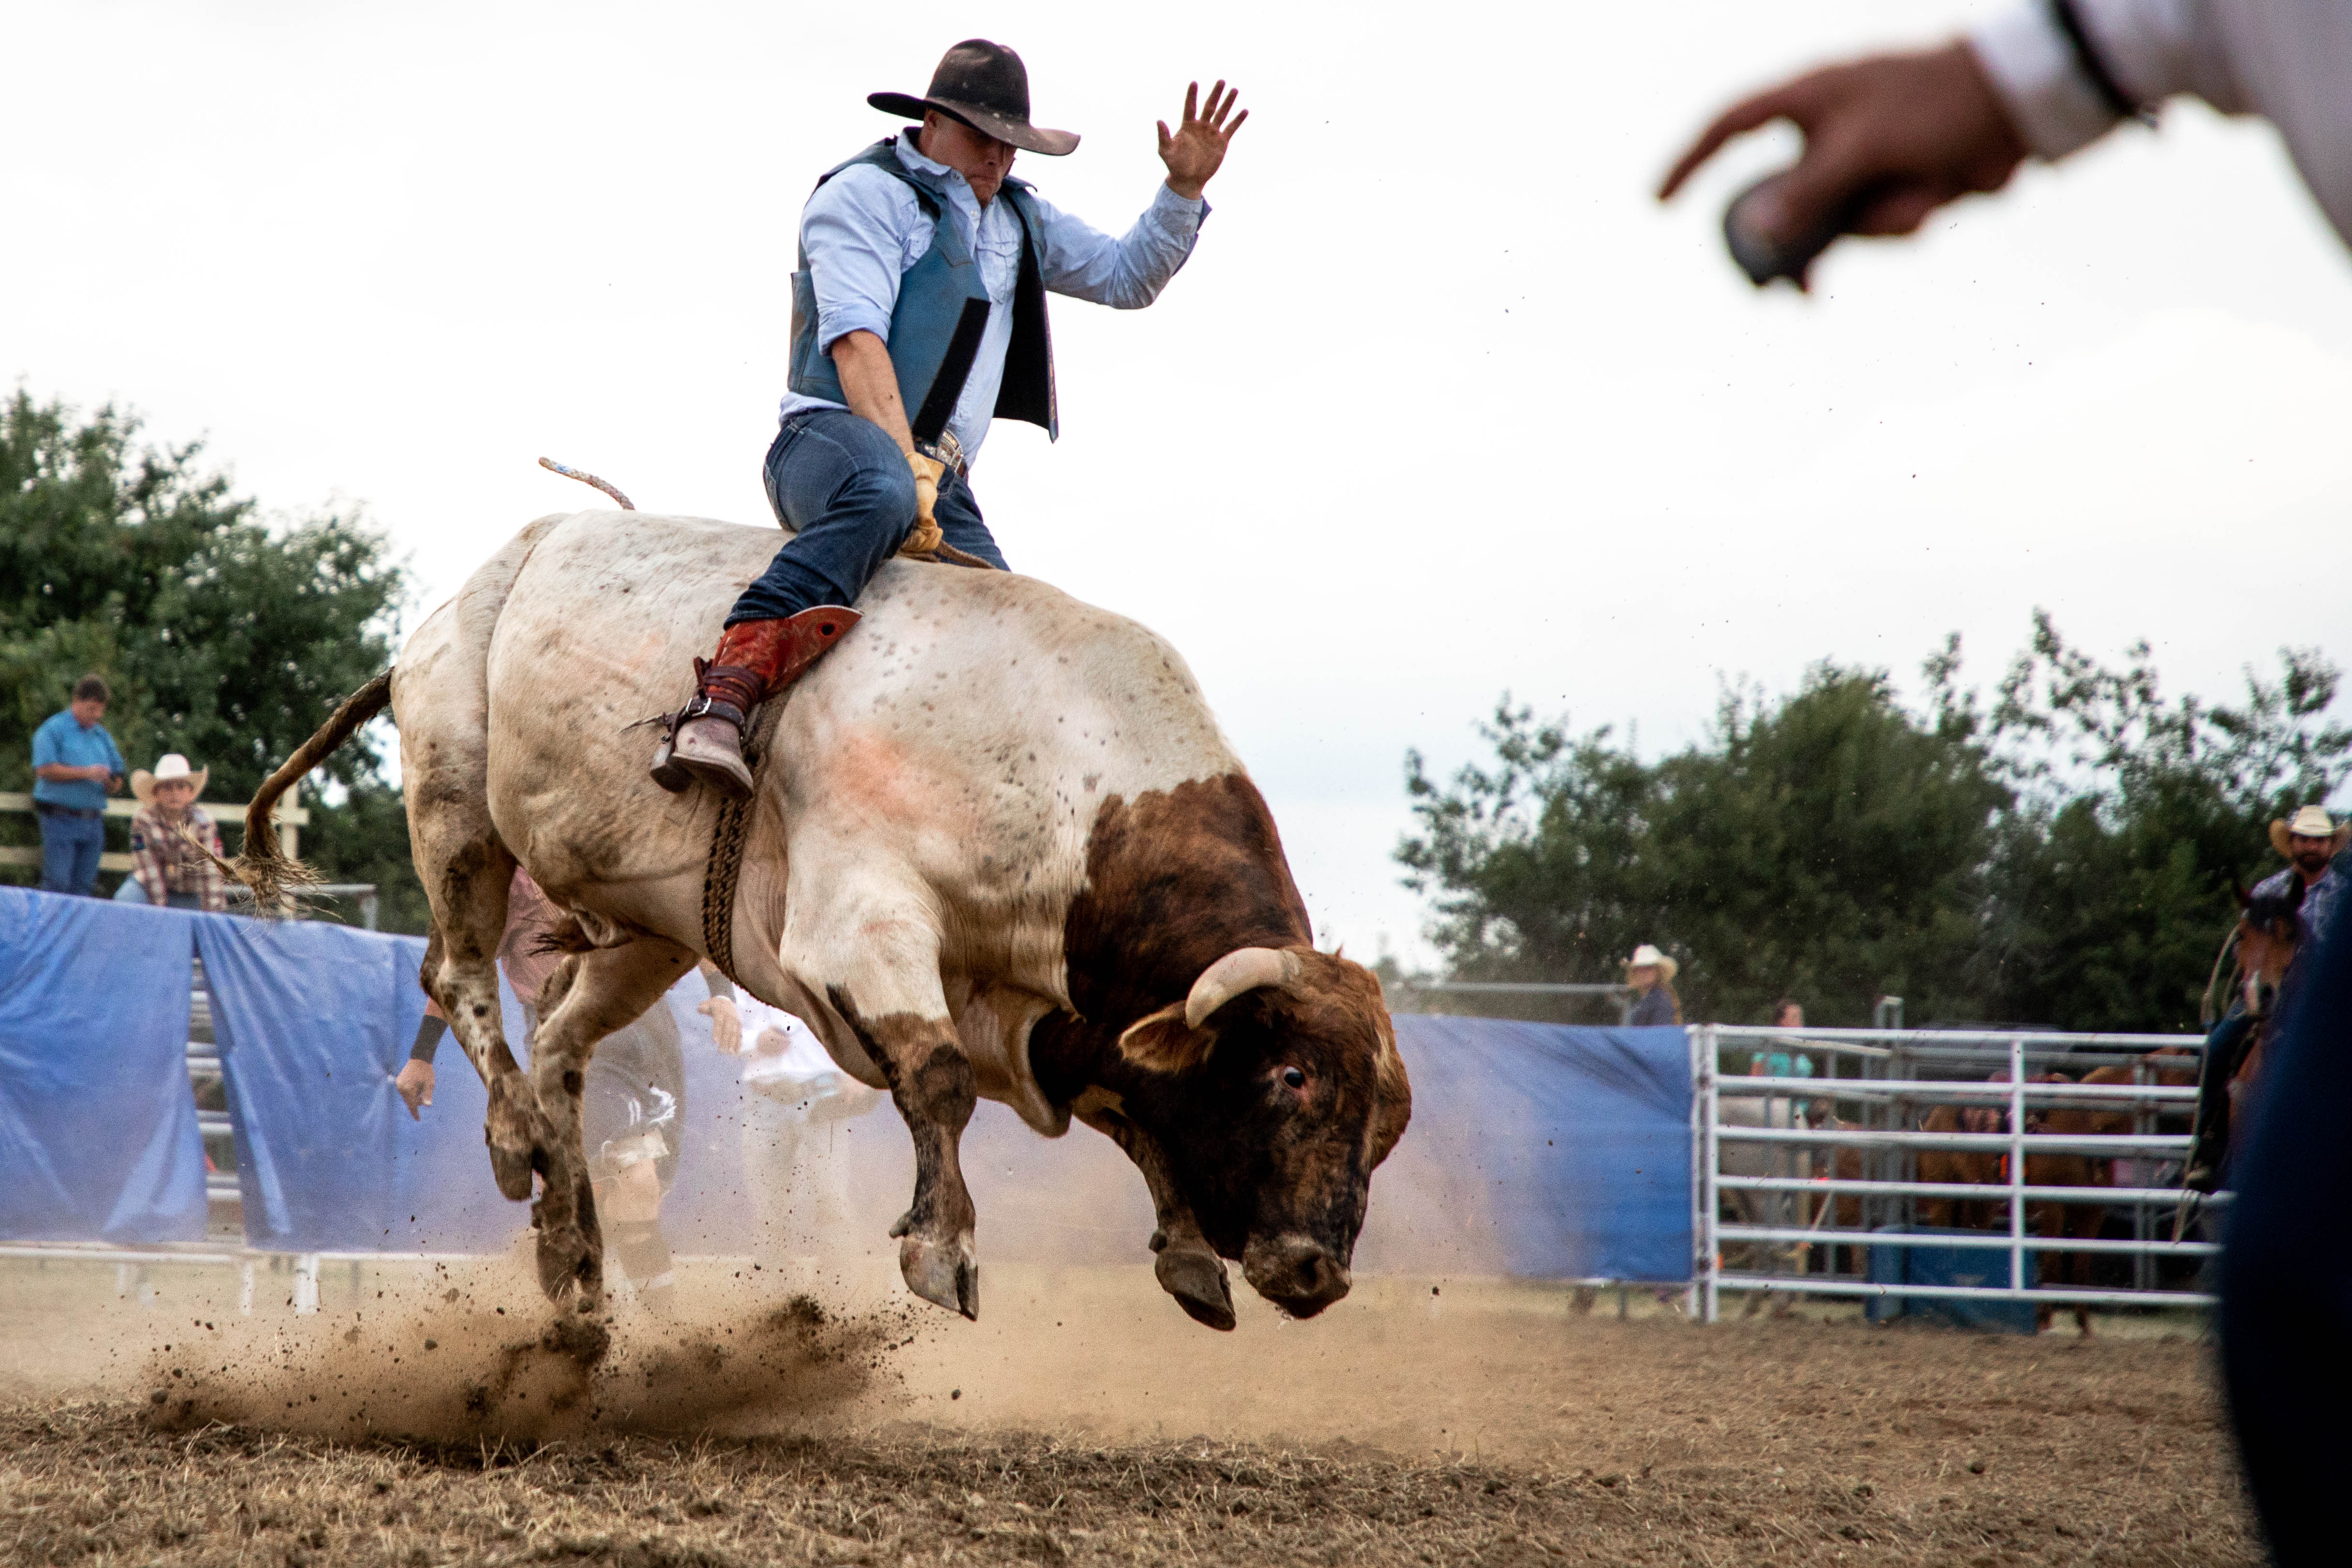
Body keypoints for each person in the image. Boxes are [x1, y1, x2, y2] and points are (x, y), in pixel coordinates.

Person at [1664, 10, 2352, 1557]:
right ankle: (2200, 1146)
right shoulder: (2282, 893)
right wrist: (1994, 83)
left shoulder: (2325, 887)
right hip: (2292, 990)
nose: (2304, 847)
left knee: (2303, 1273)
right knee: (2256, 1150)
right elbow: (2148, 35)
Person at [652, 39, 1247, 798]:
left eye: (1010, 146)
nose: (997, 161)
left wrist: (1181, 191)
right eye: (981, 139)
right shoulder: (864, 197)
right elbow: (856, 343)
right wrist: (908, 469)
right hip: (829, 439)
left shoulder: (1019, 218)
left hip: (941, 474)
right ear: (931, 122)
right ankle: (723, 694)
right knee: (880, 494)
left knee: (1006, 620)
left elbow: (1127, 278)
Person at [395, 868, 736, 1313]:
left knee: (633, 1195)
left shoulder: (618, 847)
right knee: (608, 1188)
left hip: (643, 1029)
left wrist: (722, 992)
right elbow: (460, 969)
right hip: (565, 1037)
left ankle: (655, 1332)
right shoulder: (510, 877)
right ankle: (586, 1328)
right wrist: (422, 1054)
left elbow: (686, 920)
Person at [30, 674, 126, 897]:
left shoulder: (102, 736)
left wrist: (111, 783)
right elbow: (44, 769)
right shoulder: (53, 730)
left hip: (93, 820)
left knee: (84, 886)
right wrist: (86, 773)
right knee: (58, 883)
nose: (97, 715)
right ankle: (50, 931)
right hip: (59, 818)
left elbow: (118, 772)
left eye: (101, 710)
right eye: (92, 709)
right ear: (77, 701)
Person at [114, 754, 226, 911]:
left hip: (188, 893)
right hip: (149, 888)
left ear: (190, 793)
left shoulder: (204, 823)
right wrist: (162, 913)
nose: (174, 793)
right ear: (156, 793)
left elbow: (211, 870)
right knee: (125, 899)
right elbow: (148, 867)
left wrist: (213, 913)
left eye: (181, 787)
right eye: (167, 787)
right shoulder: (142, 821)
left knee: (205, 918)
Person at [2252, 804, 2347, 951]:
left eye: (2320, 840)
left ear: (2331, 845)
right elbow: (2244, 947)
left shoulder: (2346, 895)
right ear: (2291, 843)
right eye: (2304, 840)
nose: (2312, 847)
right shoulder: (2266, 891)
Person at [1623, 944, 1683, 1027]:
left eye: (1649, 968)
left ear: (1658, 971)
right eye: (1639, 968)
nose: (1643, 972)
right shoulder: (1647, 999)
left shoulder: (1660, 999)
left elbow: (1660, 1035)